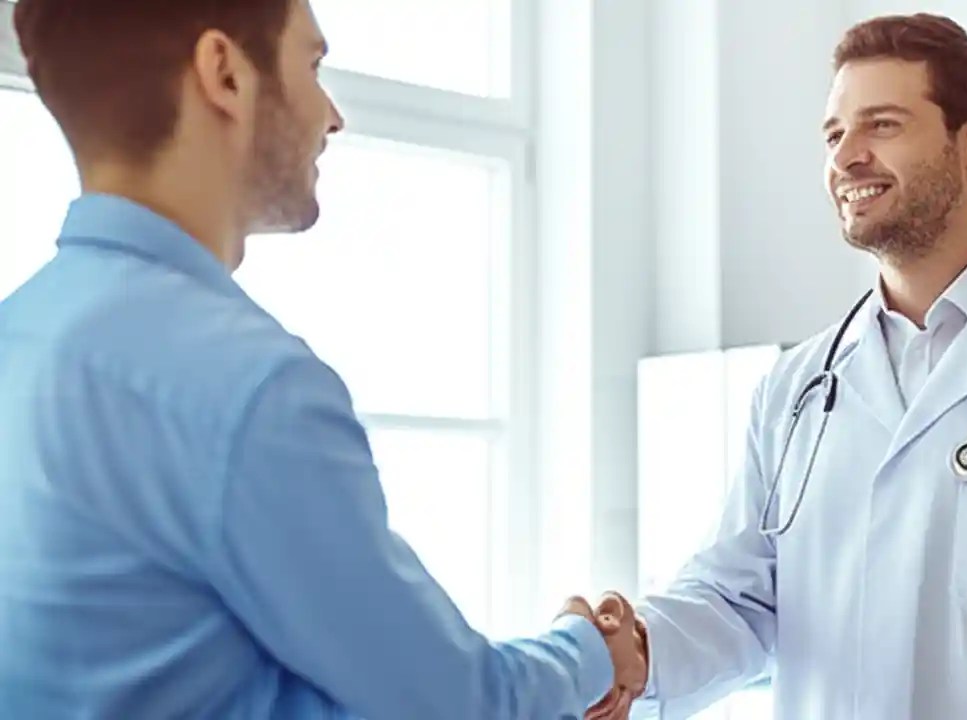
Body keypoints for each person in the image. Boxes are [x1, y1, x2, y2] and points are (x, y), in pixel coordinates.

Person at [0, 0, 645, 717]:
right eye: (312, 65)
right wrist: (587, 651)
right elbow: (457, 706)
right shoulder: (250, 389)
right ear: (225, 73)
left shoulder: (17, 338)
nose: (331, 115)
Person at [585, 13, 967, 720]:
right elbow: (741, 600)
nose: (846, 156)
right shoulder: (795, 390)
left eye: (881, 125)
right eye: (834, 134)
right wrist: (640, 649)